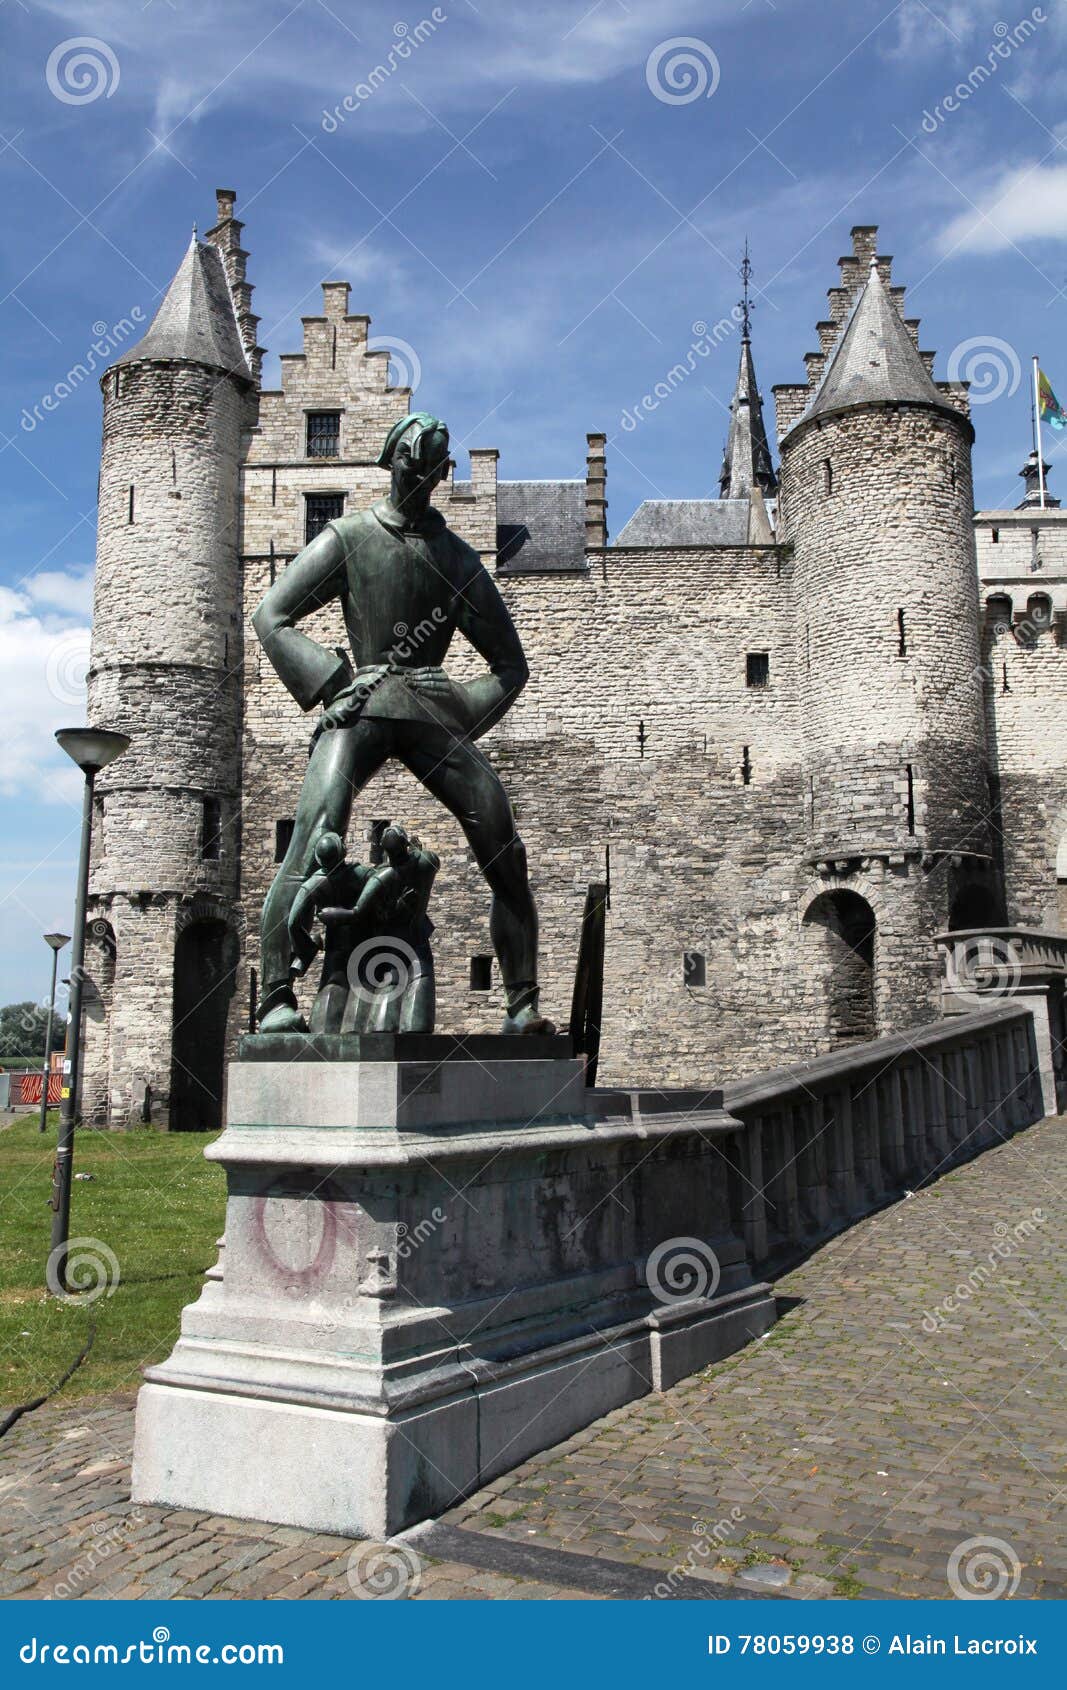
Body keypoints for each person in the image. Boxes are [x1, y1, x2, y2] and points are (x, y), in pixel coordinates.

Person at [252, 412, 552, 1036]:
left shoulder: (458, 560)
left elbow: (509, 667)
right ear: (391, 462)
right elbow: (272, 615)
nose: (419, 481)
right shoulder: (349, 536)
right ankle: (277, 994)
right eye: (410, 467)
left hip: (427, 715)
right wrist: (334, 683)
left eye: (431, 472)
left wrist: (462, 706)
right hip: (360, 707)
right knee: (313, 835)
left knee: (501, 842)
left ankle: (522, 1002)